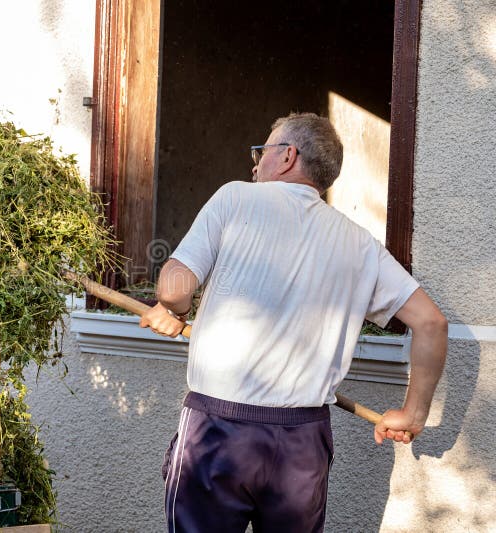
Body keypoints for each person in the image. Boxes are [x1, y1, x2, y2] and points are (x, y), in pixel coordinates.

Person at [139, 112, 447, 533]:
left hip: (219, 430)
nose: (254, 164)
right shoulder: (359, 243)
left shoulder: (234, 198)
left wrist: (173, 310)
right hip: (302, 442)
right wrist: (413, 414)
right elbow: (431, 323)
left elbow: (174, 285)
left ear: (287, 155)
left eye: (261, 152)